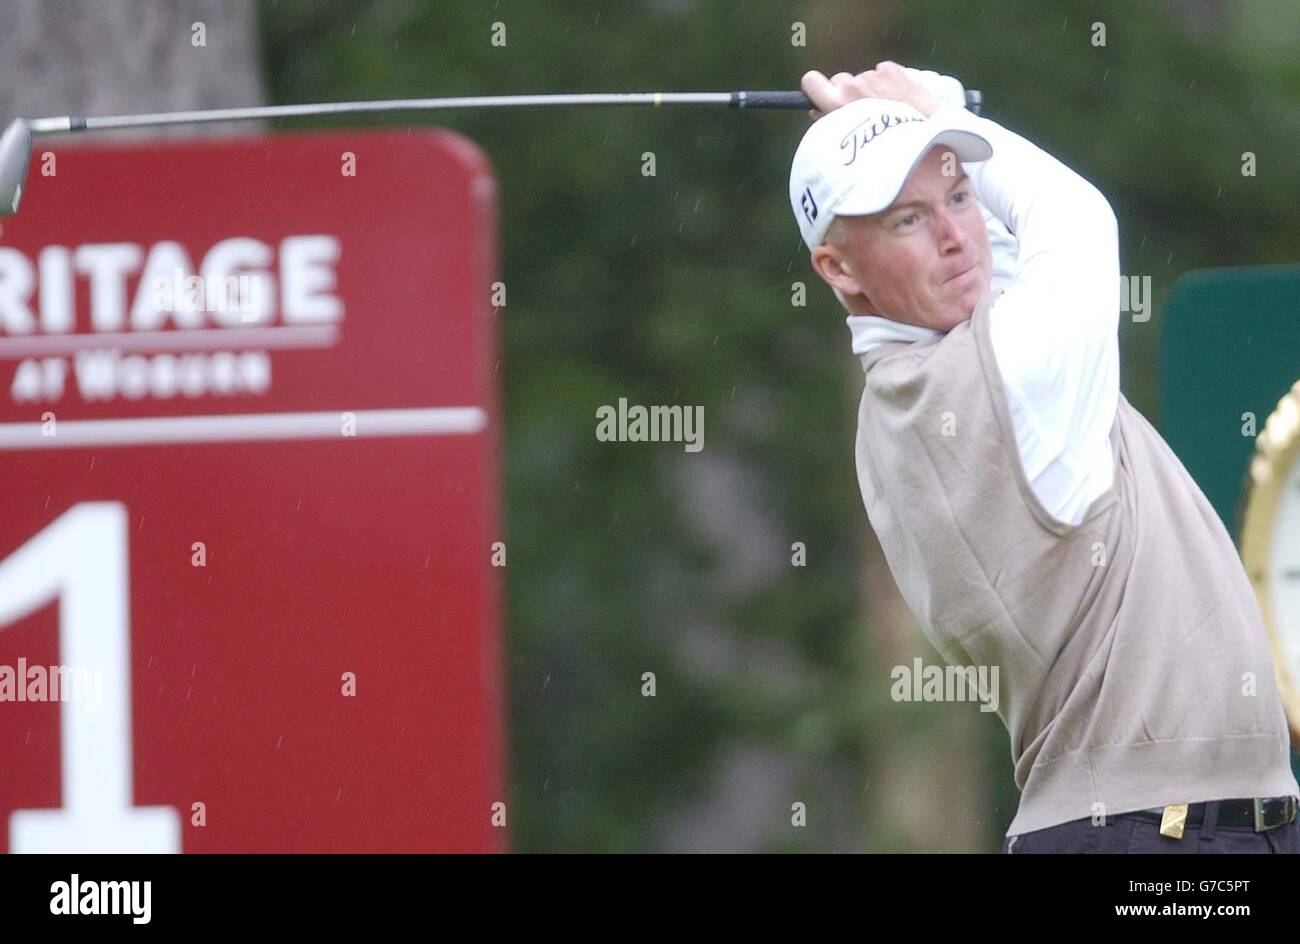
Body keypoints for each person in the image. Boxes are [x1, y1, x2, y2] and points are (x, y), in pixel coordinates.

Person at [792, 61, 1300, 853]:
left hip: (1166, 831)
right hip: (1155, 844)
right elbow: (1073, 218)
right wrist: (932, 112)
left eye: (957, 197)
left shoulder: (921, 384)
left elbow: (993, 251)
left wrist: (934, 117)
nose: (955, 234)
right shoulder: (1004, 378)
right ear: (839, 271)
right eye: (907, 222)